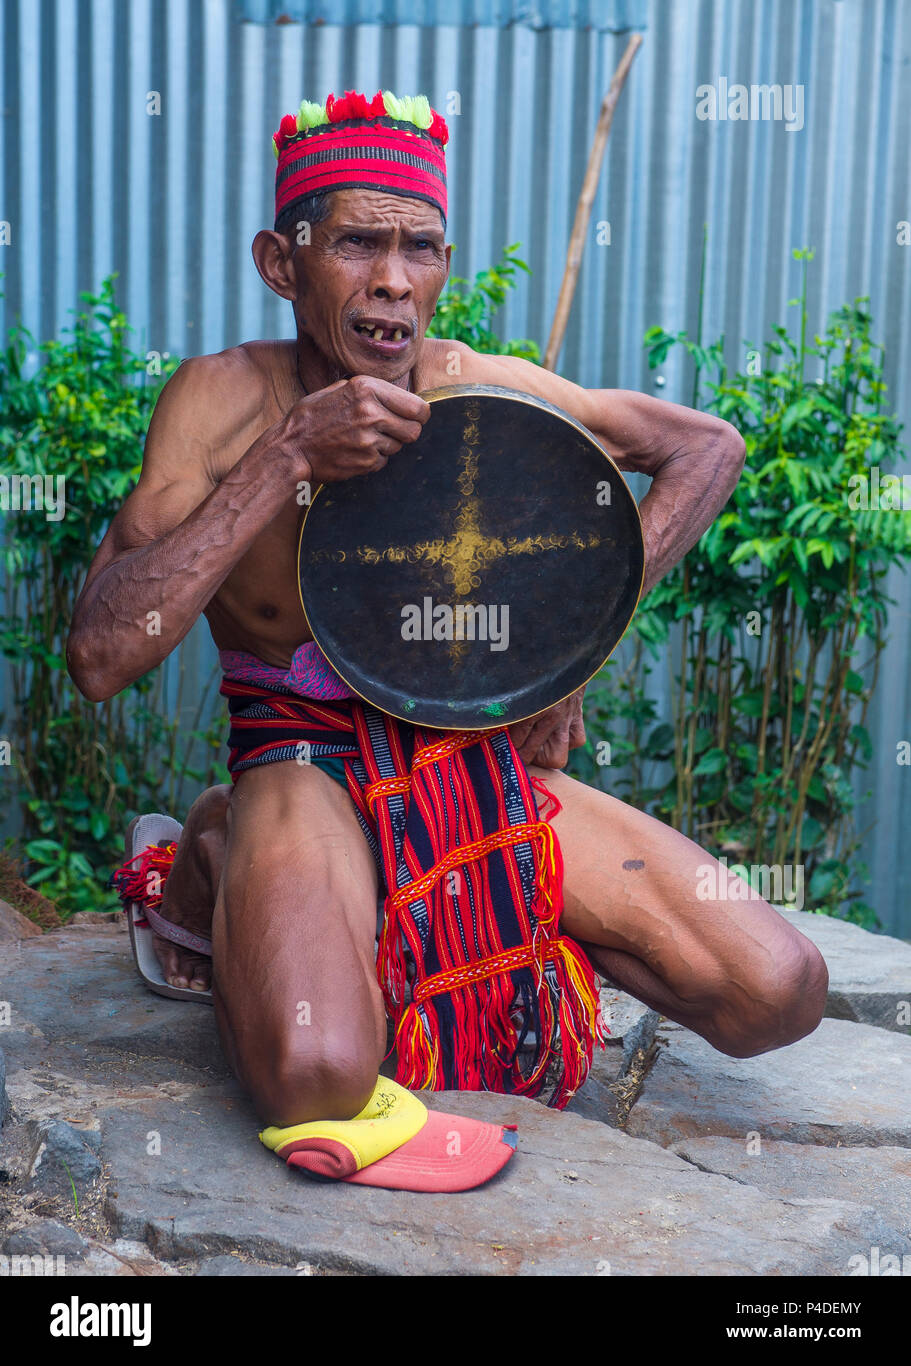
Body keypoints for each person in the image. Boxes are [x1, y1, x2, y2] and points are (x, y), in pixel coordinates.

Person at [68, 89, 827, 1187]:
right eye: (356, 244)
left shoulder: (481, 390)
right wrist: (283, 458)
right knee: (322, 1072)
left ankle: (431, 921)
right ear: (283, 264)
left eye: (418, 247)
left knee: (775, 988)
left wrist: (569, 655)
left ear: (444, 264)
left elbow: (704, 448)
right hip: (301, 760)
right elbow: (100, 654)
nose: (390, 280)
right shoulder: (219, 403)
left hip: (468, 761)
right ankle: (228, 845)